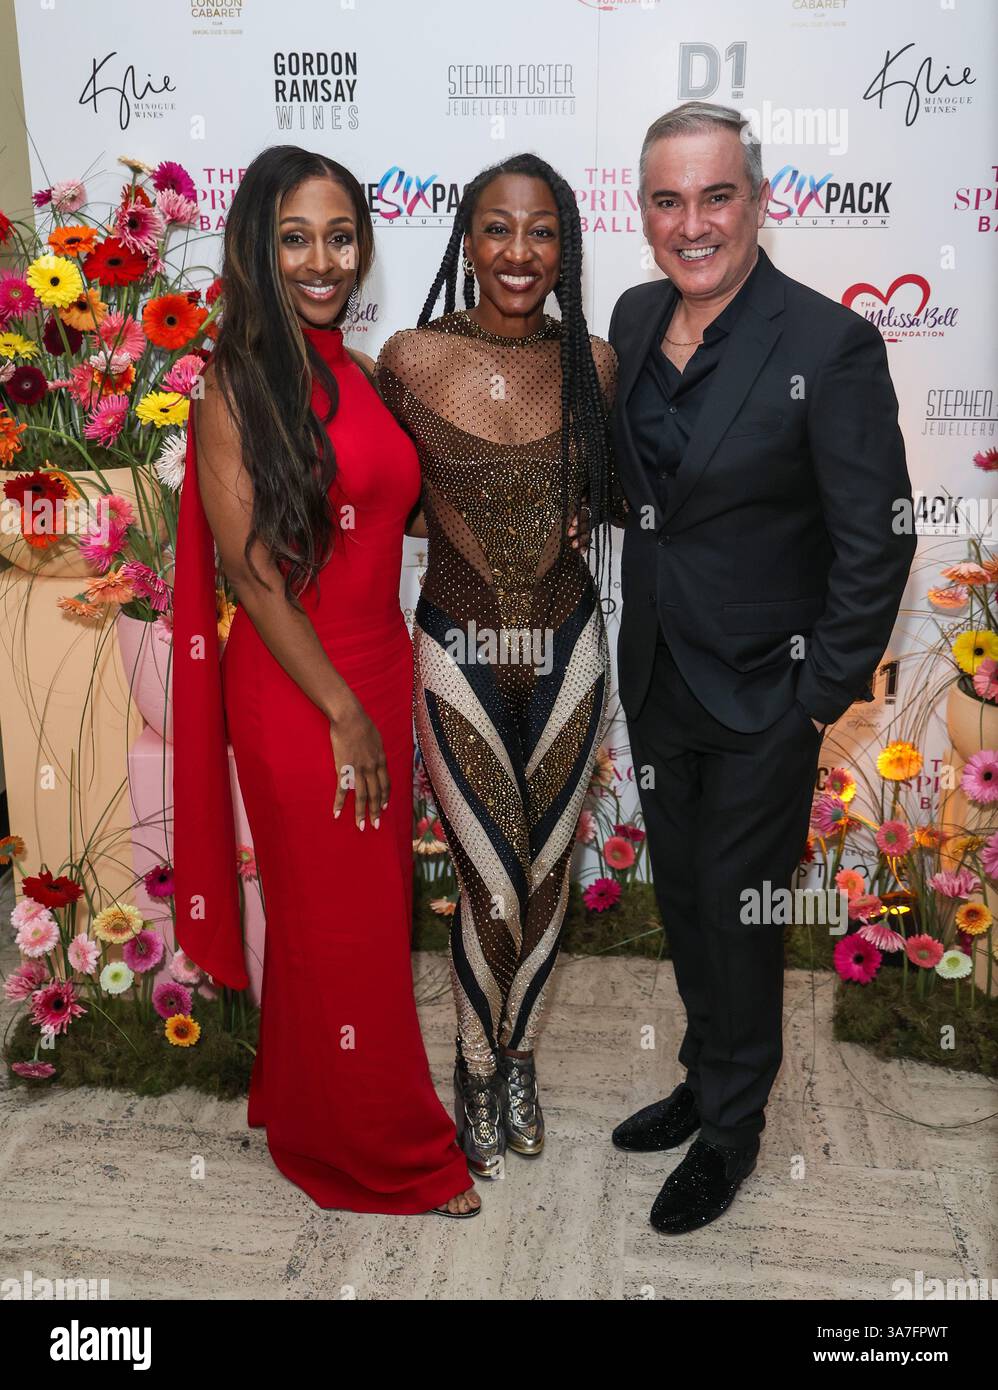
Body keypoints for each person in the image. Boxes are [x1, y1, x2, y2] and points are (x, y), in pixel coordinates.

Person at [607, 102, 916, 1233]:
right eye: (667, 200)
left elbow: (875, 534)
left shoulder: (824, 342)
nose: (692, 224)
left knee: (739, 911)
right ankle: (704, 1072)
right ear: (641, 210)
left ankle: (732, 1129)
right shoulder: (635, 317)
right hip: (656, 674)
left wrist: (812, 696)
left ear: (757, 200)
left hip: (763, 695)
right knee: (683, 899)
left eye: (715, 196)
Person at [171, 145, 480, 1217]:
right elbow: (255, 582)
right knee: (346, 933)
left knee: (344, 920)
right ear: (258, 246)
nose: (321, 259)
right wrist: (343, 714)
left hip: (374, 666)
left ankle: (305, 1103)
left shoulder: (352, 372)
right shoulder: (233, 383)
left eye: (340, 235)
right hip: (306, 692)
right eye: (295, 237)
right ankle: (390, 1154)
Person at [375, 153, 616, 1179]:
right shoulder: (410, 358)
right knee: (488, 876)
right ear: (464, 239)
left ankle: (516, 1058)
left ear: (563, 246)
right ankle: (473, 1068)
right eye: (496, 229)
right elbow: (381, 494)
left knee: (548, 870)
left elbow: (600, 492)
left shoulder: (596, 363)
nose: (519, 253)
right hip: (459, 650)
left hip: (568, 648)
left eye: (541, 232)